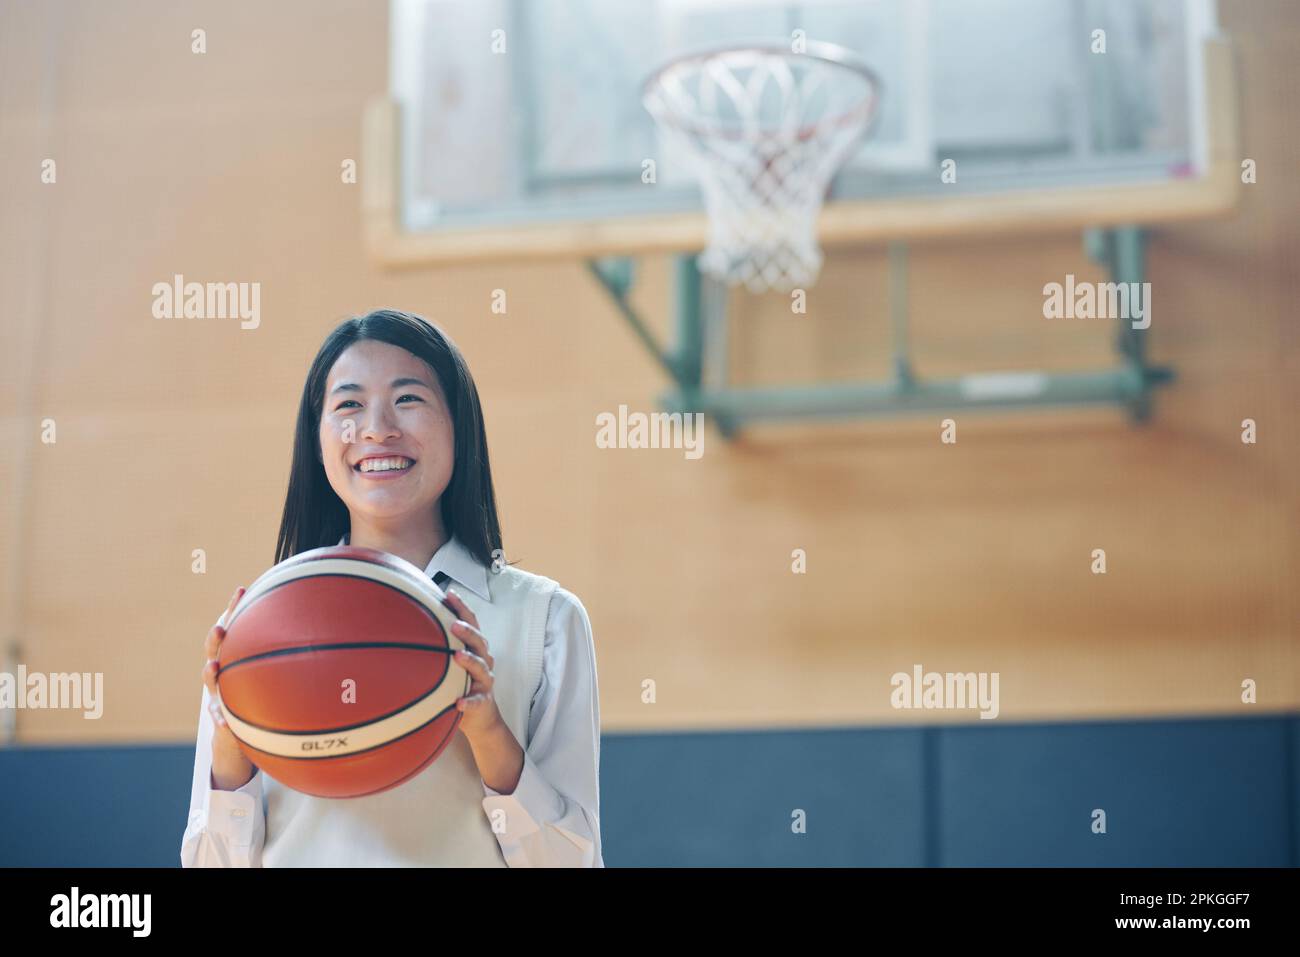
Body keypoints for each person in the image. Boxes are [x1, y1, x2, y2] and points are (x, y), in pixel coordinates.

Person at [180, 309, 602, 867]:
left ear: (460, 426)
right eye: (349, 404)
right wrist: (232, 747)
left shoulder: (544, 620)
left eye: (408, 399)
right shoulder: (257, 631)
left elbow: (571, 865)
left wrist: (488, 732)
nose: (377, 428)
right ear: (319, 438)